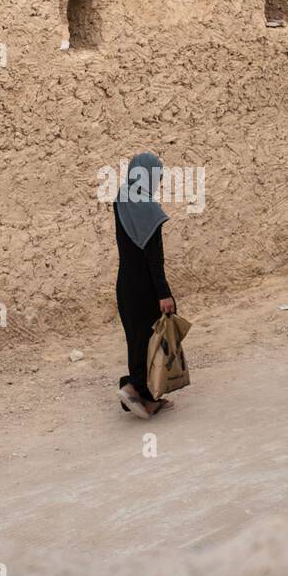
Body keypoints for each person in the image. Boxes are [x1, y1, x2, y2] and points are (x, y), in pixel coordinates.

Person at [114, 152, 177, 419]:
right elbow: (154, 258)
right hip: (145, 288)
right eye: (157, 177)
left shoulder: (122, 198)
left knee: (137, 342)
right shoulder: (148, 209)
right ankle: (133, 387)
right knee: (155, 340)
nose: (158, 183)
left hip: (125, 285)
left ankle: (147, 398)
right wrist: (164, 293)